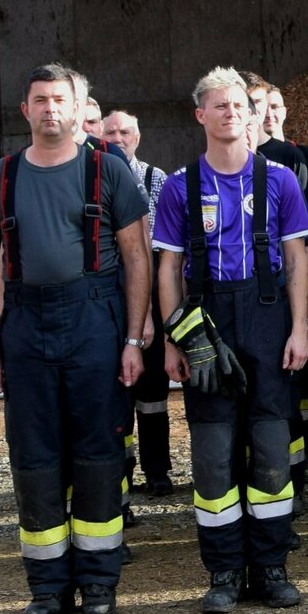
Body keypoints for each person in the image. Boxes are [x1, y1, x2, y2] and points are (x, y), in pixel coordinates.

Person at [0, 65, 153, 614]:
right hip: (24, 325)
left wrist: (133, 338)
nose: (50, 109)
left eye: (60, 100)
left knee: (98, 453)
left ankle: (98, 582)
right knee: (35, 457)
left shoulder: (109, 171)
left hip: (96, 322)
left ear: (79, 108)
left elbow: (138, 257)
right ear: (25, 110)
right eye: (40, 100)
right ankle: (47, 587)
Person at [152, 68, 308, 611]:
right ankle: (223, 571)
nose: (230, 113)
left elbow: (298, 259)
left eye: (238, 105)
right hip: (206, 320)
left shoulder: (281, 180)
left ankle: (270, 567)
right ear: (200, 115)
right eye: (218, 106)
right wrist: (175, 340)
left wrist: (300, 329)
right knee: (214, 454)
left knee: (270, 449)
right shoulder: (179, 186)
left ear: (251, 113)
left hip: (268, 319)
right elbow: (168, 267)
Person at [263, 85, 308, 501]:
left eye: (273, 107)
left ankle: (305, 455)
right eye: (260, 107)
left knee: (300, 374)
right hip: (255, 290)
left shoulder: (296, 158)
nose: (267, 115)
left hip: (294, 279)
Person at [104, 109, 175, 496]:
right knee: (118, 394)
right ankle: (122, 472)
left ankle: (158, 469)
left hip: (151, 298)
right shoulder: (94, 174)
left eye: (125, 131)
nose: (118, 138)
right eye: (111, 131)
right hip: (110, 299)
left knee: (153, 394)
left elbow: (164, 244)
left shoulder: (155, 179)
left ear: (138, 136)